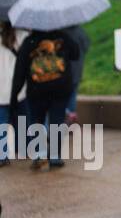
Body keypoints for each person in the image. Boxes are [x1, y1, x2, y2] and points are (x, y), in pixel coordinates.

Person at [9, 25, 82, 170]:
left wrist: (14, 94)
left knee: (37, 122)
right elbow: (76, 54)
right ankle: (54, 157)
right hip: (60, 89)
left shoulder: (29, 42)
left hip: (37, 91)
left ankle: (39, 155)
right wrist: (65, 35)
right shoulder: (63, 37)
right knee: (56, 122)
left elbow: (20, 70)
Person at [0, 21, 26, 167]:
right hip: (19, 87)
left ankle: (2, 155)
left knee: (1, 123)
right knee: (21, 119)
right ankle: (21, 148)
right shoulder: (23, 36)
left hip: (0, 88)